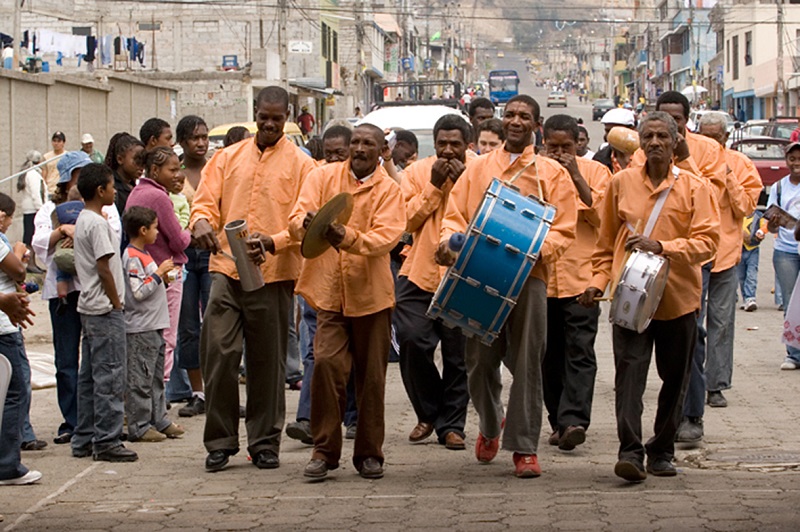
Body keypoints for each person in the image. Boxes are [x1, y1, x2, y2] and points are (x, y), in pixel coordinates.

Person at [436, 95, 578, 478]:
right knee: (479, 362)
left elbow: (565, 230)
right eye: (511, 114)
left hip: (529, 279)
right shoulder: (478, 168)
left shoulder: (553, 174)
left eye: (525, 117)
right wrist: (450, 243)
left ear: (536, 125)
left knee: (529, 362)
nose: (516, 121)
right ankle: (488, 422)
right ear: (502, 120)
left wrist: (532, 251)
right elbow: (454, 217)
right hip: (477, 273)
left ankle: (524, 447)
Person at [579, 111, 719, 482]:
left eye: (662, 136)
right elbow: (605, 243)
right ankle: (630, 451)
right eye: (648, 136)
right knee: (629, 377)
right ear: (639, 143)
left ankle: (662, 451)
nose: (655, 142)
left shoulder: (695, 187)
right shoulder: (620, 183)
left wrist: (663, 246)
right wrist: (596, 283)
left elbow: (708, 243)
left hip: (678, 299)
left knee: (675, 379)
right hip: (629, 298)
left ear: (676, 142)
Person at [190, 86, 316, 472]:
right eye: (264, 116)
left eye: (278, 118)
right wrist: (200, 224)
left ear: (288, 116)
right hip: (226, 270)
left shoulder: (302, 165)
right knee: (220, 354)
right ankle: (220, 441)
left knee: (268, 363)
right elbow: (204, 203)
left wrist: (274, 242)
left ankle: (264, 442)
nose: (269, 124)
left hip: (274, 275)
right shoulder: (226, 158)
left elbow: (304, 219)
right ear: (255, 113)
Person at [288, 124, 405, 481]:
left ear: (382, 150)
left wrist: (347, 236)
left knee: (371, 379)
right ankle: (324, 451)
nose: (359, 148)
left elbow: (384, 239)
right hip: (329, 294)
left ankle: (370, 454)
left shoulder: (389, 190)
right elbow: (296, 219)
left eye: (368, 143)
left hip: (372, 298)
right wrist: (306, 224)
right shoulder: (322, 177)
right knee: (324, 365)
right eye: (355, 142)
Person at [675, 111, 762, 444]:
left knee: (722, 323)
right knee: (693, 324)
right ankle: (688, 385)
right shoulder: (686, 156)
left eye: (718, 138)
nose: (712, 142)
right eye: (707, 136)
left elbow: (745, 208)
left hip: (727, 255)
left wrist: (726, 174)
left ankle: (716, 385)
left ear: (726, 138)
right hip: (697, 257)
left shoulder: (739, 163)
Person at [32, 152, 121, 445]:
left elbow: (113, 239)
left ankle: (89, 426)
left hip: (91, 291)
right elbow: (40, 244)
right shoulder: (51, 210)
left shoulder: (98, 214)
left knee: (93, 365)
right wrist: (62, 231)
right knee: (70, 361)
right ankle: (77, 423)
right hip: (68, 297)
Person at [396, 115, 472, 451]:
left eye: (455, 144)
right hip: (419, 272)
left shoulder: (480, 171)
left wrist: (460, 184)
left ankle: (452, 425)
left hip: (464, 275)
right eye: (442, 143)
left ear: (467, 145)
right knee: (413, 340)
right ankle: (428, 412)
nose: (448, 151)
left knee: (459, 356)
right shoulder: (416, 172)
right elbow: (405, 220)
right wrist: (433, 186)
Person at [285, 124, 360, 445]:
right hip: (317, 281)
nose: (331, 160)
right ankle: (307, 418)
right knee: (317, 353)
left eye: (338, 154)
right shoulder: (314, 179)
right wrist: (302, 223)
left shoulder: (367, 184)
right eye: (326, 153)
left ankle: (354, 418)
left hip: (357, 283)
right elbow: (294, 220)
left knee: (356, 353)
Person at [541, 115, 611, 451]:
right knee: (548, 354)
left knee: (580, 351)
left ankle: (574, 421)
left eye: (565, 147)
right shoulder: (534, 172)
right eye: (552, 147)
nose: (558, 154)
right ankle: (557, 421)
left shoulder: (596, 172)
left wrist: (575, 176)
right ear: (542, 144)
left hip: (583, 277)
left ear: (578, 144)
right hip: (542, 276)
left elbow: (604, 220)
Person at [71, 163, 138, 463]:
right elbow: (104, 268)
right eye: (112, 187)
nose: (115, 191)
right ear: (101, 191)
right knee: (110, 375)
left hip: (89, 306)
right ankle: (107, 440)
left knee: (89, 377)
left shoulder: (84, 219)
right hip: (103, 307)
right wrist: (116, 302)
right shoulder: (97, 224)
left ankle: (84, 436)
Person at [126, 148, 192, 386]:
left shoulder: (136, 192)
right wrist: (189, 229)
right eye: (172, 170)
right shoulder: (160, 197)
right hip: (167, 273)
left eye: (179, 169)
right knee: (167, 338)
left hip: (144, 273)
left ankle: (146, 396)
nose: (177, 175)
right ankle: (159, 394)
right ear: (155, 170)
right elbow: (178, 240)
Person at [121, 206, 185, 443]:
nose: (158, 232)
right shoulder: (132, 257)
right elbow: (138, 292)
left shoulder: (144, 254)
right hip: (141, 327)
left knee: (156, 377)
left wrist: (166, 277)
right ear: (143, 230)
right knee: (141, 379)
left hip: (154, 324)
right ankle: (139, 425)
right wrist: (159, 273)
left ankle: (160, 419)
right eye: (155, 228)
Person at [0, 198, 41, 485]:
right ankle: (7, 465)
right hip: (4, 330)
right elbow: (17, 270)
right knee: (15, 390)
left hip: (6, 319)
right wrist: (15, 251)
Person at [173, 116, 212, 415]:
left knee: (216, 324)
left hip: (214, 254)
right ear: (182, 142)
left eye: (204, 137)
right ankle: (197, 392)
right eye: (194, 138)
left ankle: (217, 390)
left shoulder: (216, 169)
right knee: (188, 326)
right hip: (183, 257)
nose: (201, 143)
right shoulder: (174, 173)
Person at [767, 142, 800, 370]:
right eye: (792, 159)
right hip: (786, 252)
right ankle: (794, 354)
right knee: (790, 303)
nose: (796, 164)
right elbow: (771, 227)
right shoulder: (778, 187)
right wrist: (773, 223)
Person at [17, 151, 47, 273]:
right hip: (33, 210)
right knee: (30, 238)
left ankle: (33, 262)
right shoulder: (33, 174)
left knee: (31, 237)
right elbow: (36, 194)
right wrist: (41, 209)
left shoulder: (29, 173)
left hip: (30, 209)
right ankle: (30, 263)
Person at [105, 133, 145, 219]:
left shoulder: (136, 186)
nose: (141, 166)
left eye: (143, 160)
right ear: (120, 159)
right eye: (137, 160)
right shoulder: (112, 188)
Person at [593, 108, 636, 173]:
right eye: (608, 131)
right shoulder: (599, 158)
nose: (610, 136)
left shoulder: (644, 156)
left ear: (631, 130)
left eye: (615, 132)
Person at [739, 211, 766, 311]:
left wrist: (761, 236)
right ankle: (745, 298)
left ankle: (750, 298)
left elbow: (763, 229)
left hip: (752, 249)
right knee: (741, 276)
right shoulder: (737, 214)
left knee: (751, 274)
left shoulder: (758, 216)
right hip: (739, 248)